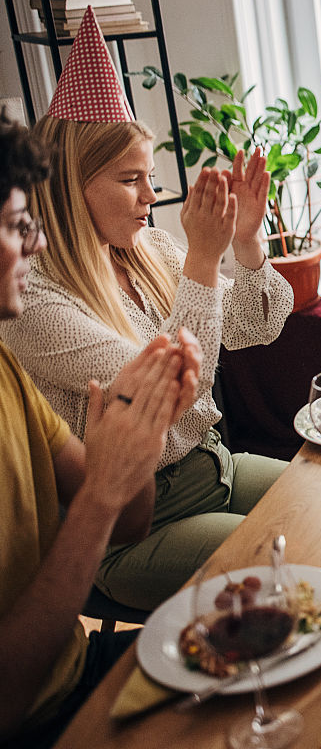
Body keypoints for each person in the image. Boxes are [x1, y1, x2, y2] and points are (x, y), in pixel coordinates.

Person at [0, 8, 294, 611]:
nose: (151, 195)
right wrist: (205, 264)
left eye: (151, 177)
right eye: (130, 179)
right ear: (67, 185)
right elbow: (172, 387)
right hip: (137, 530)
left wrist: (244, 245)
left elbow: (249, 327)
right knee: (292, 555)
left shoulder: (146, 245)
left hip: (214, 468)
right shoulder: (34, 299)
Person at [0, 112, 202, 747]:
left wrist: (126, 453)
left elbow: (129, 520)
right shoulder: (33, 319)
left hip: (76, 669)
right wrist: (105, 489)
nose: (31, 243)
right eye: (12, 225)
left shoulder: (5, 371)